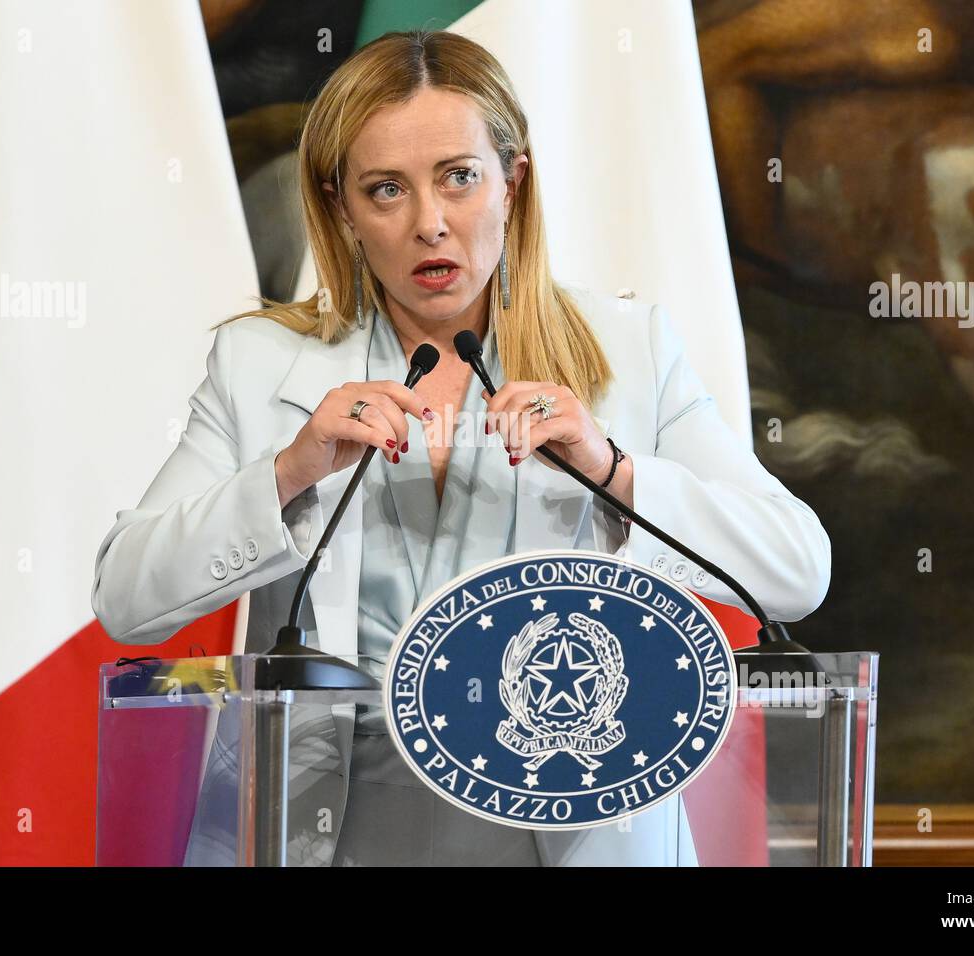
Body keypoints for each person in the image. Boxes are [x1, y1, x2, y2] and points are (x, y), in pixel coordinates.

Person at [91, 29, 831, 866]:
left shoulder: (629, 350)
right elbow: (126, 592)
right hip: (321, 827)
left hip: (572, 823)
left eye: (459, 178)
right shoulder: (261, 364)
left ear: (513, 182)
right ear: (341, 208)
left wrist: (611, 471)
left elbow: (797, 570)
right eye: (385, 191)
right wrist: (290, 472)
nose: (429, 224)